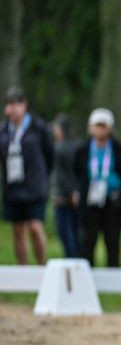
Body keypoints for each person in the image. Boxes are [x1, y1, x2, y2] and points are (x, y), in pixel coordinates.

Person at [1, 87, 54, 265]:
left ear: (24, 105)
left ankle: (41, 268)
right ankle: (22, 272)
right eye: (8, 105)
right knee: (18, 230)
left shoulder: (38, 129)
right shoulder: (4, 131)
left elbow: (49, 155)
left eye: (15, 104)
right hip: (13, 187)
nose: (11, 109)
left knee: (34, 226)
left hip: (34, 187)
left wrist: (44, 179)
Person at [73, 108, 121, 267]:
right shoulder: (83, 150)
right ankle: (87, 274)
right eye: (97, 126)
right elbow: (78, 172)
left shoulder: (119, 149)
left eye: (103, 126)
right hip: (90, 199)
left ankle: (114, 275)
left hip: (112, 200)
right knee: (88, 240)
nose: (100, 129)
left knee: (112, 240)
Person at [50, 114, 83, 259]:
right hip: (77, 194)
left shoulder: (60, 148)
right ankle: (76, 260)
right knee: (76, 232)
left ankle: (72, 260)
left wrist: (70, 192)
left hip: (64, 196)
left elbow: (64, 174)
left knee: (65, 233)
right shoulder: (79, 145)